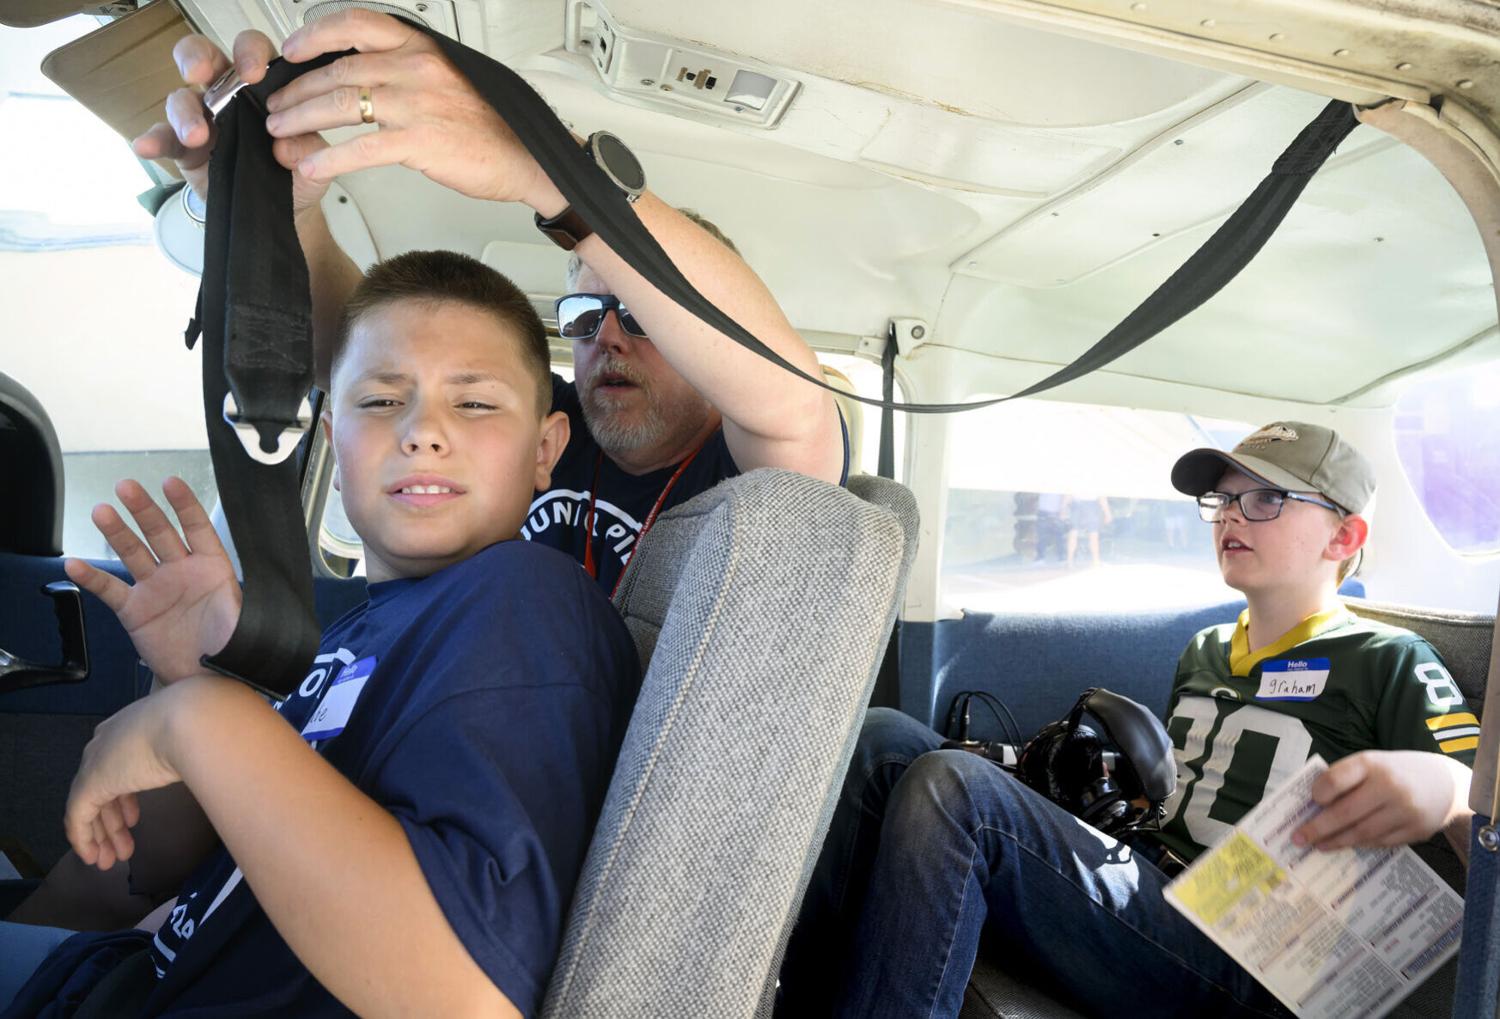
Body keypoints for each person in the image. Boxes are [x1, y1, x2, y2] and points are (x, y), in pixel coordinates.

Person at [0, 252, 641, 1017]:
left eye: (474, 404)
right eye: (379, 400)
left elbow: (463, 995)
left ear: (545, 449)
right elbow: (159, 865)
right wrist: (197, 681)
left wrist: (197, 722)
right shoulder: (370, 629)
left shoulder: (522, 600)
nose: (423, 431)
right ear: (333, 444)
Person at [779, 422, 1478, 1018]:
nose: (1232, 514)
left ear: (1343, 534)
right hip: (1154, 889)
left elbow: (1487, 818)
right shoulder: (1206, 648)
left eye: (1266, 498)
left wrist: (1447, 786)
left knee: (955, 790)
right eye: (1224, 498)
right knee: (884, 738)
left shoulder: (1388, 659)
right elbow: (1170, 800)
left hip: (1255, 955)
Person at [133, 10, 848, 594]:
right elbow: (358, 360)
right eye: (583, 317)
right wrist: (281, 215)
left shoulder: (746, 473)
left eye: (638, 313)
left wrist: (541, 165)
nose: (607, 338)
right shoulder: (543, 420)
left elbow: (793, 405)